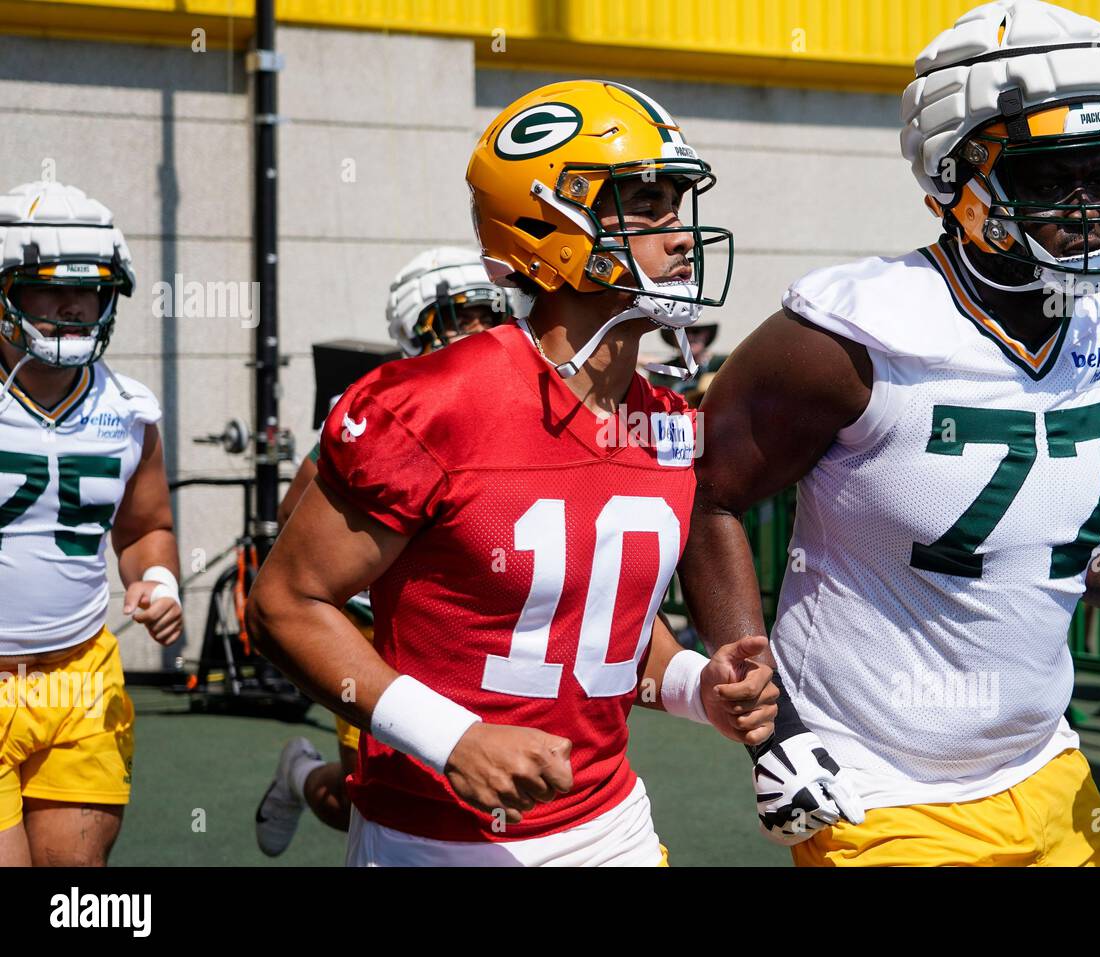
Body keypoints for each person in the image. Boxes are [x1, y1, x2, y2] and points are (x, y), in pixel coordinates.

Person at [678, 0, 1100, 866]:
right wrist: (774, 725)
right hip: (877, 785)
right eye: (1052, 175)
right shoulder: (848, 336)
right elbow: (705, 495)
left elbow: (1072, 536)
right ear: (958, 177)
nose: (1092, 203)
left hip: (1050, 767)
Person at [246, 79, 777, 866]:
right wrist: (451, 738)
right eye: (647, 203)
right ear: (546, 225)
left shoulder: (665, 420)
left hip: (612, 824)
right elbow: (284, 604)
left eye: (678, 204)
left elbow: (601, 618)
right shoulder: (432, 404)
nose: (682, 236)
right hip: (432, 836)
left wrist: (697, 685)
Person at [254, 247, 513, 856]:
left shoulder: (517, 394)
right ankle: (299, 773)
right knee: (364, 800)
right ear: (414, 327)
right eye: (460, 315)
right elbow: (298, 513)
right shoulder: (388, 403)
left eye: (487, 312)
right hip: (380, 633)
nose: (478, 328)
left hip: (472, 632)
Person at [0, 181, 181, 866]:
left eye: (93, 289)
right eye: (48, 288)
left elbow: (143, 529)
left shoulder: (128, 409)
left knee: (75, 878)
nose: (74, 305)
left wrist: (157, 580)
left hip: (79, 672)